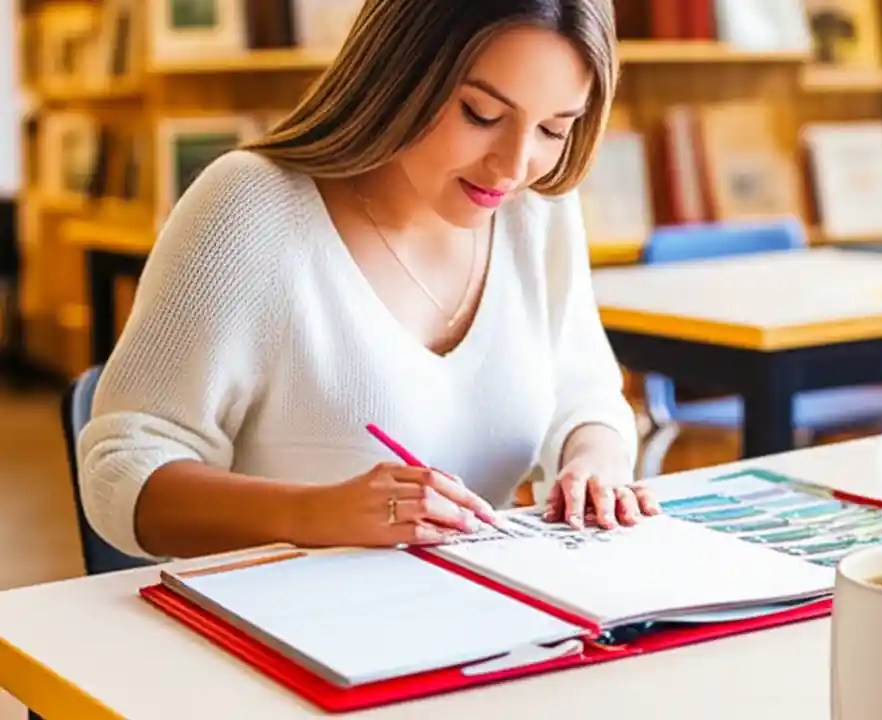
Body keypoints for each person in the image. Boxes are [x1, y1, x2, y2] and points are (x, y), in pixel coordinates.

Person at [78, 0, 659, 562]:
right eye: (481, 115)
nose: (513, 165)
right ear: (400, 70)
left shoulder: (536, 208)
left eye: (554, 130)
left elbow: (585, 396)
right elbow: (120, 471)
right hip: (286, 626)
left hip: (487, 621)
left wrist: (594, 462)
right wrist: (314, 516)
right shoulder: (251, 207)